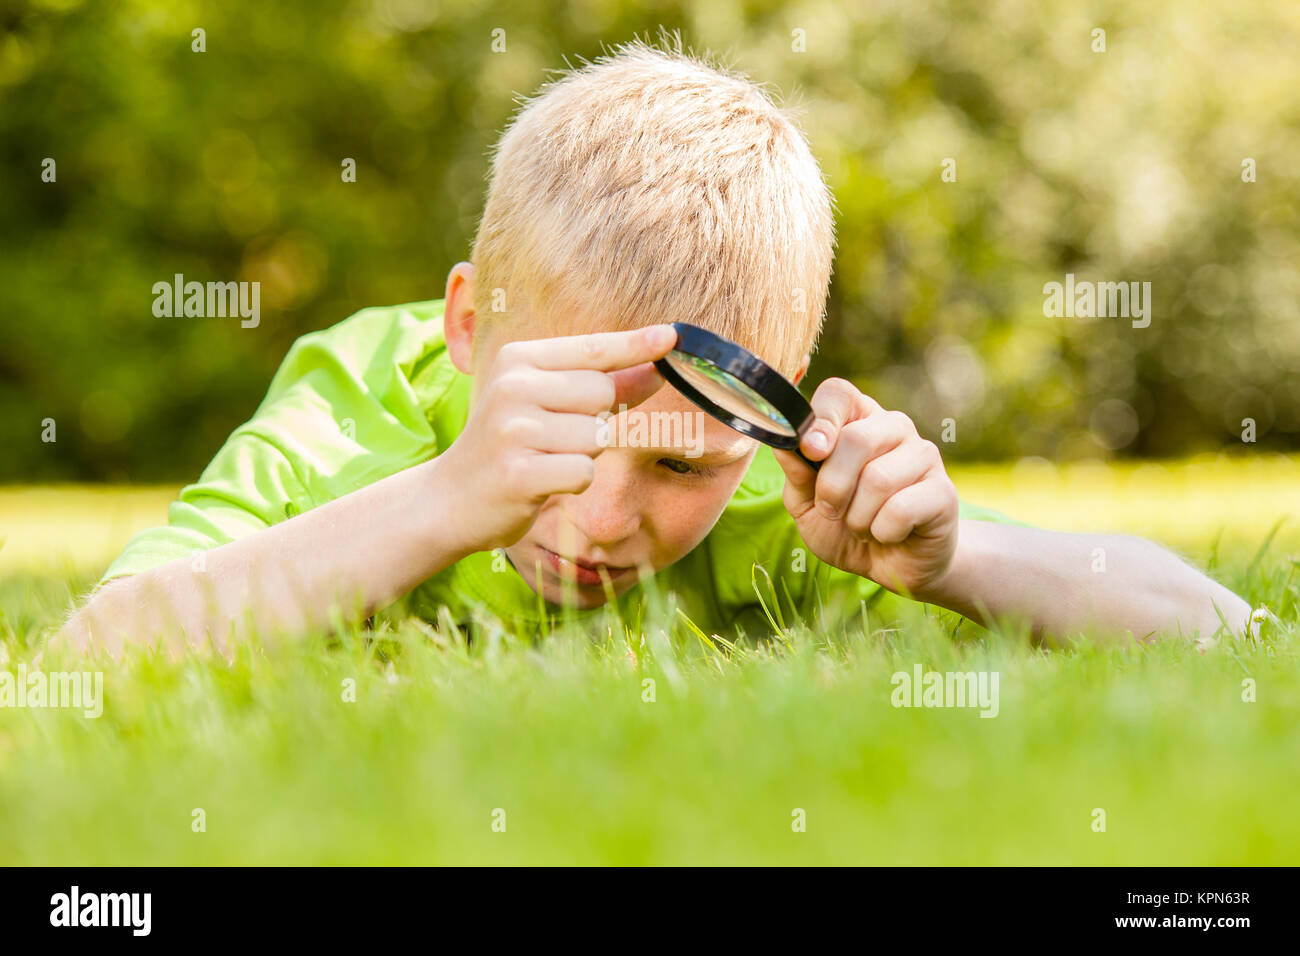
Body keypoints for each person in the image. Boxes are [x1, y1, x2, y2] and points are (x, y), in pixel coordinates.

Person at [54, 39, 1251, 658]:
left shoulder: (768, 495)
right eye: (564, 427)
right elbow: (96, 658)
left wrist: (952, 560)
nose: (604, 520)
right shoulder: (360, 403)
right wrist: (444, 497)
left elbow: (1220, 634)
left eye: (680, 466)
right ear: (470, 324)